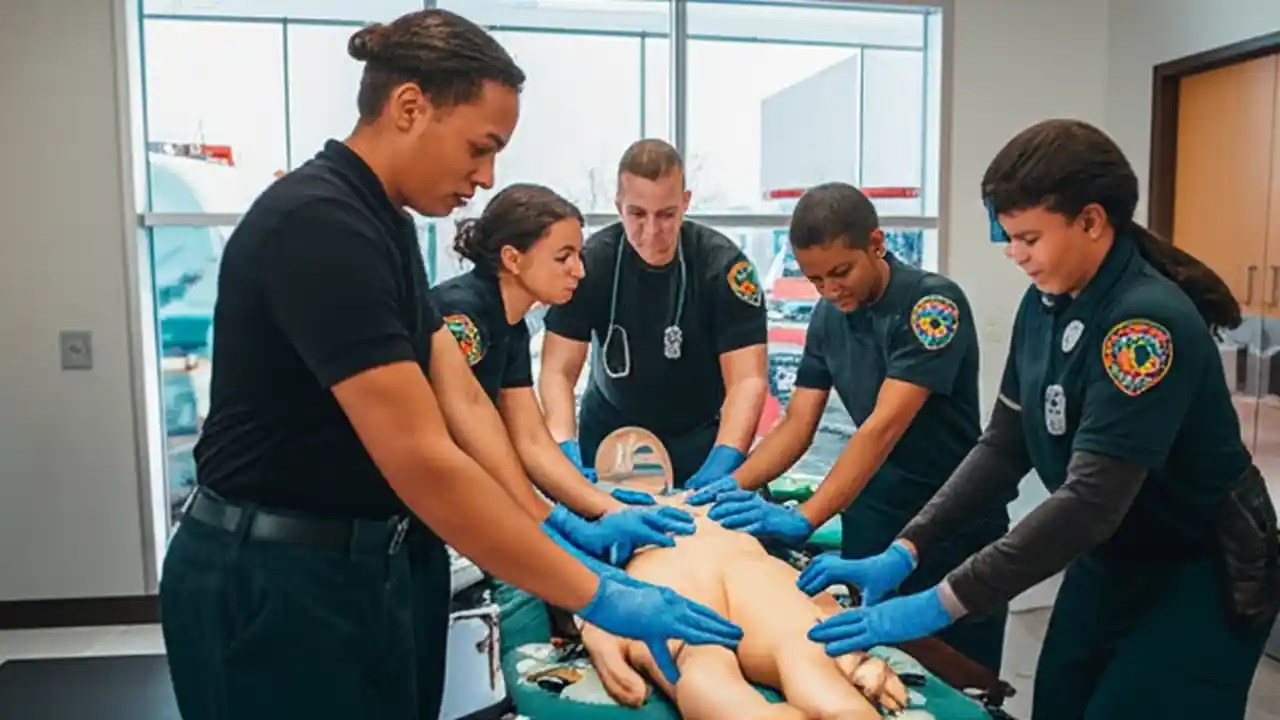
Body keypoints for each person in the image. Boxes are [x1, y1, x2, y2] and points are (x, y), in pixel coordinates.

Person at [157, 12, 741, 720]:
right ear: (410, 107)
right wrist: (596, 592)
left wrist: (559, 520)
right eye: (479, 147)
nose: (486, 176)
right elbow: (426, 460)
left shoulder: (386, 226)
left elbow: (464, 403)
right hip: (280, 577)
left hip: (375, 565)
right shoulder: (318, 223)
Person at [802, 119, 1280, 719]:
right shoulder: (1045, 304)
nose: (1015, 254)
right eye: (1008, 237)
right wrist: (909, 547)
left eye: (1028, 237)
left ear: (1091, 221)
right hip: (1111, 556)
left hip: (1195, 570)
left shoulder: (1143, 326)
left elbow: (1090, 501)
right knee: (1059, 701)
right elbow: (1003, 447)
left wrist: (942, 602)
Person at [686, 182, 1011, 673]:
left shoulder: (931, 306)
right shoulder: (827, 316)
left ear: (876, 244)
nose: (830, 289)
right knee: (871, 667)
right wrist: (730, 484)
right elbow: (798, 422)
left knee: (960, 677)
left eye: (841, 272)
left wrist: (807, 517)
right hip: (874, 517)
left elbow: (882, 428)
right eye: (815, 279)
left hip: (949, 521)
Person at [580, 429, 910, 720]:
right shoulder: (606, 519)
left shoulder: (613, 517)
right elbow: (569, 579)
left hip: (685, 575)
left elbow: (582, 588)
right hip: (739, 573)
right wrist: (853, 655)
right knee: (799, 650)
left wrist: (595, 626)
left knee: (707, 658)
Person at [538, 138, 769, 489]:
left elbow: (747, 380)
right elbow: (557, 371)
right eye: (637, 214)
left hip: (700, 438)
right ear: (618, 206)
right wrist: (563, 445)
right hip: (610, 435)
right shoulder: (591, 265)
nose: (651, 231)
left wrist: (725, 457)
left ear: (685, 203)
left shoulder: (723, 268)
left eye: (666, 215)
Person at [429, 182, 667, 519]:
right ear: (512, 258)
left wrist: (607, 507)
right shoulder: (462, 315)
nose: (579, 271)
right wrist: (555, 520)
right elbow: (464, 437)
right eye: (563, 257)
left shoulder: (512, 326)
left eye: (579, 256)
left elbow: (531, 440)